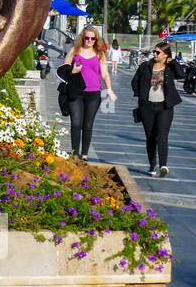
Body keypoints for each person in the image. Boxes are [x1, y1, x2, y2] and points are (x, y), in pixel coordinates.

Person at [130, 42, 185, 176]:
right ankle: (152, 165)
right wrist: (141, 95)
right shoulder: (145, 66)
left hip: (164, 106)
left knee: (162, 136)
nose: (154, 54)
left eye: (158, 52)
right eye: (154, 52)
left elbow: (181, 75)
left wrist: (173, 62)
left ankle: (163, 165)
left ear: (166, 54)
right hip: (147, 106)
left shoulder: (169, 68)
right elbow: (134, 81)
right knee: (150, 137)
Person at [63, 25, 117, 162]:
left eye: (93, 38)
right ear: (82, 37)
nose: (89, 41)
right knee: (76, 123)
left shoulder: (100, 53)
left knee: (87, 124)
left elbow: (104, 73)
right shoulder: (74, 50)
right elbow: (63, 71)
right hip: (75, 91)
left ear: (96, 39)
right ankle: (74, 153)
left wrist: (109, 90)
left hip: (93, 93)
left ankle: (85, 153)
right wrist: (73, 71)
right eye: (87, 38)